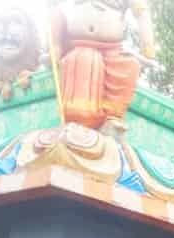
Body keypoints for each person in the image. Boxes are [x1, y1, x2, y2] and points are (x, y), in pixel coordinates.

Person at [50, 0, 158, 136]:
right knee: (84, 59)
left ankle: (111, 118)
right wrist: (56, 45)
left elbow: (142, 15)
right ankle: (78, 118)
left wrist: (148, 51)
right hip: (78, 46)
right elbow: (53, 7)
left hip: (112, 49)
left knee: (130, 66)